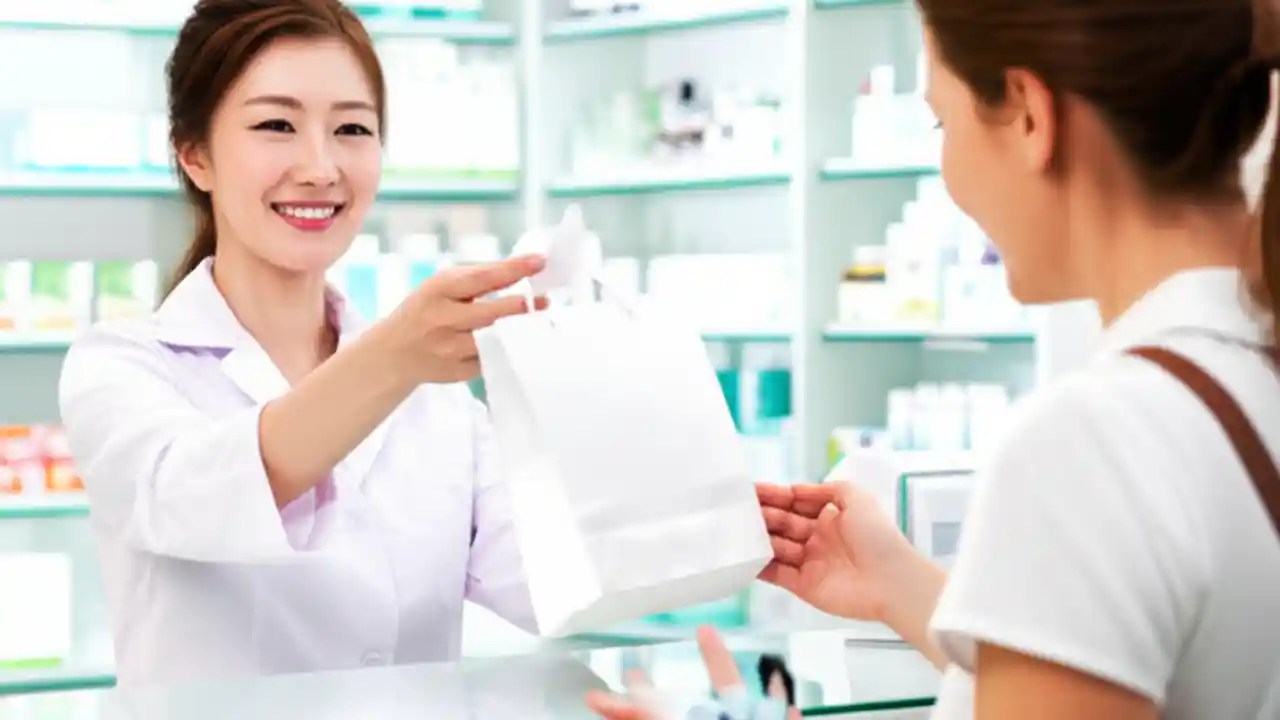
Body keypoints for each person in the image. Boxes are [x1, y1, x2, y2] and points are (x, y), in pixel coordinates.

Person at [592, 0, 1280, 718]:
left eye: (942, 123)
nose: (947, 168)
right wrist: (900, 586)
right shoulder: (1247, 376)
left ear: (1028, 116)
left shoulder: (1092, 445)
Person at [58, 0, 548, 687]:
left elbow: (550, 578)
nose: (320, 167)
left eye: (352, 128)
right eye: (276, 125)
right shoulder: (121, 368)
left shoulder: (437, 402)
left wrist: (720, 534)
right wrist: (394, 360)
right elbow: (200, 496)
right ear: (194, 154)